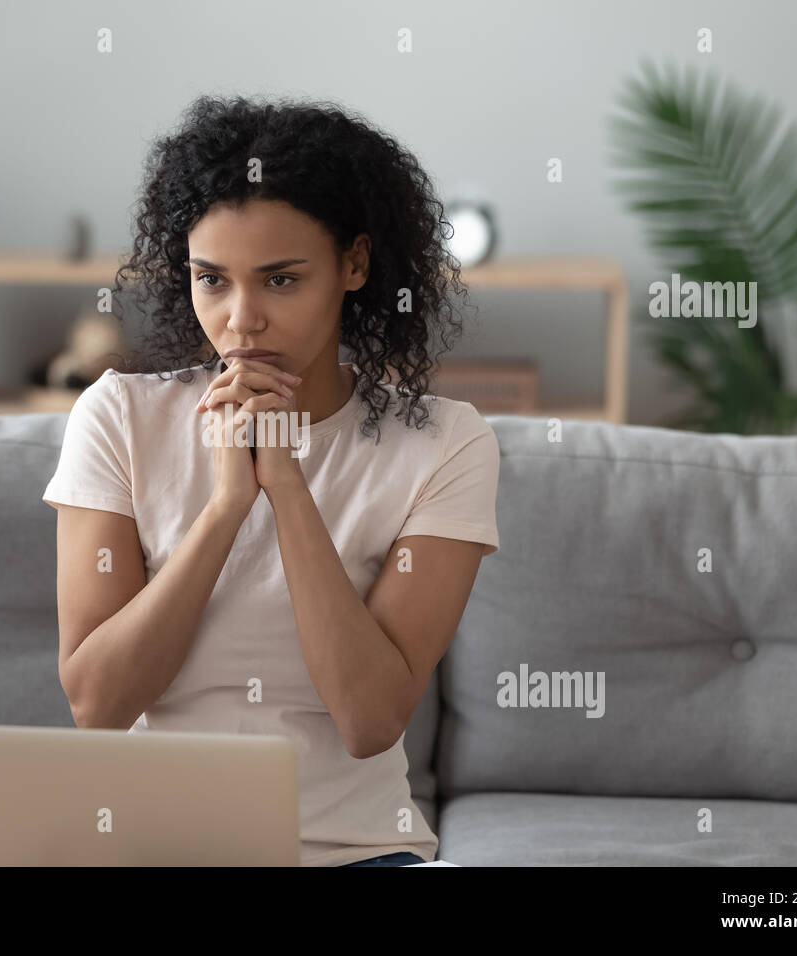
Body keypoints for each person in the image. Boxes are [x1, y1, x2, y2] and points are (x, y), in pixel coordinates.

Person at [42, 94, 500, 867]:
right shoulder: (119, 416)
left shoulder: (446, 444)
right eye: (211, 279)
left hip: (357, 854)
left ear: (354, 264)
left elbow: (368, 719)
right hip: (156, 849)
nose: (241, 320)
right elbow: (97, 702)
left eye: (281, 281)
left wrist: (286, 485)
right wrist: (225, 508)